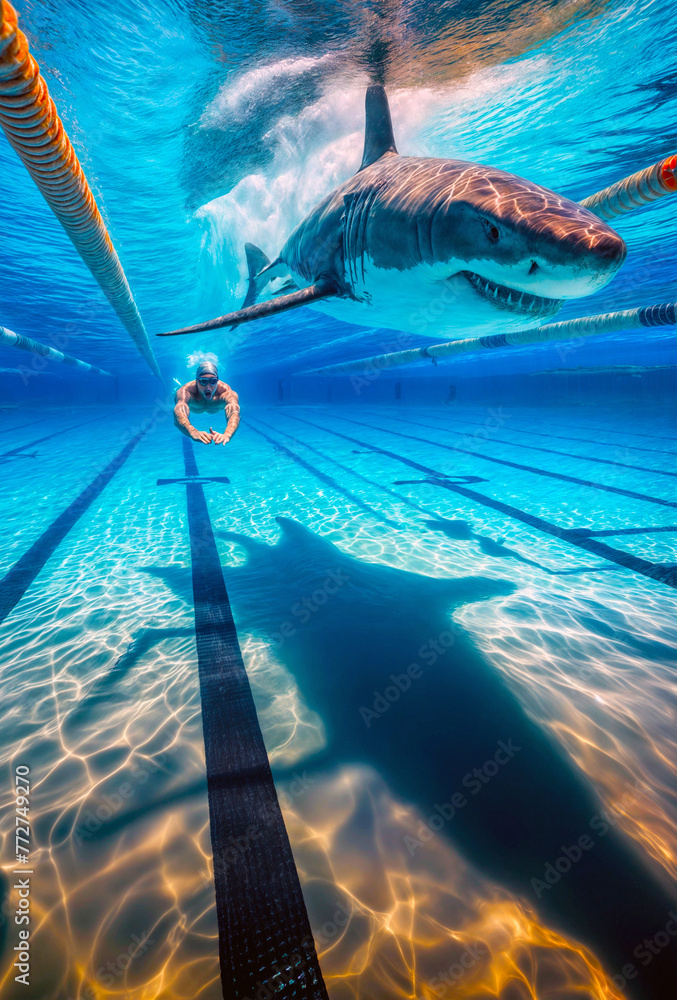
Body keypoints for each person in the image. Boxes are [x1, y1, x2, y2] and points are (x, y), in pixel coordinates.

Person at [173, 360, 240, 445]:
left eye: (212, 381)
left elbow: (234, 410)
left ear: (217, 381)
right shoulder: (186, 391)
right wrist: (192, 432)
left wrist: (228, 434)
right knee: (177, 394)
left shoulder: (225, 392)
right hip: (185, 395)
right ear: (197, 381)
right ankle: (175, 390)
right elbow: (179, 411)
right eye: (203, 381)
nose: (208, 387)